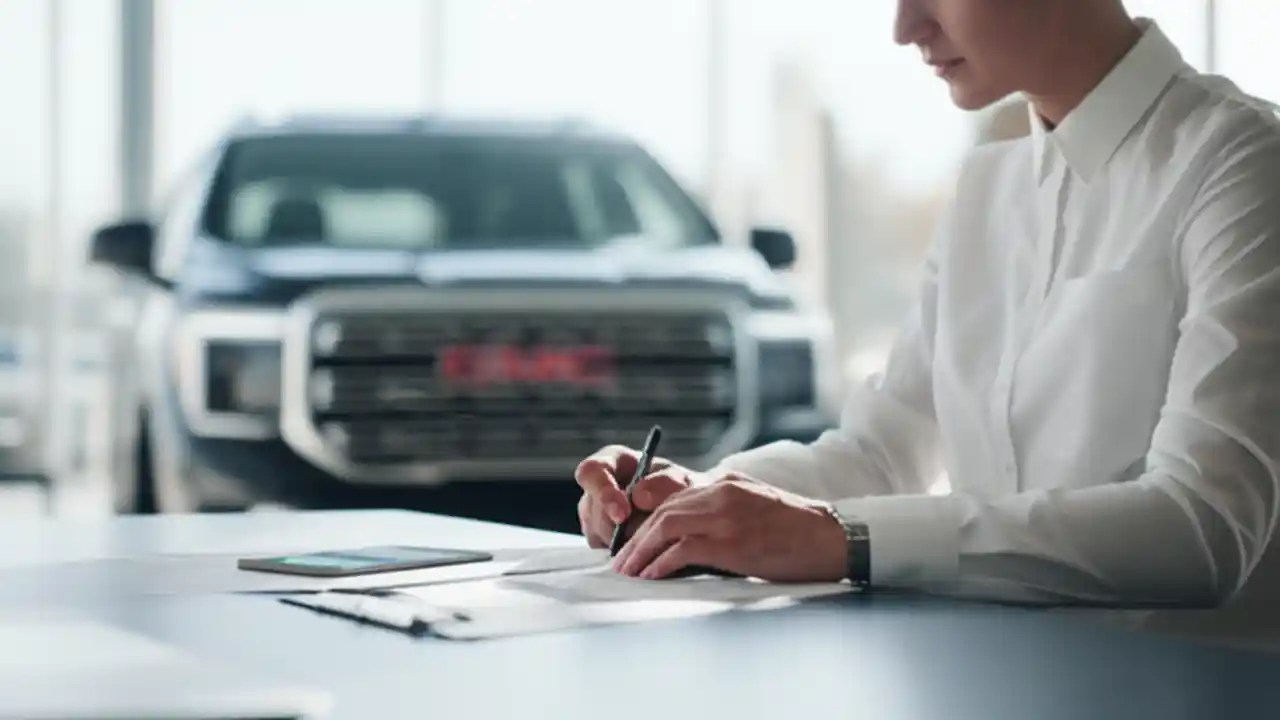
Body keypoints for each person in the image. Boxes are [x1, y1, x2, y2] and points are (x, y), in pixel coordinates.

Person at [574, 0, 1280, 606]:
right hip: (980, 679)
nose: (905, 26)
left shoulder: (1244, 164)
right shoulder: (988, 186)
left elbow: (1201, 524)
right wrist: (697, 497)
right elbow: (883, 454)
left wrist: (842, 539)